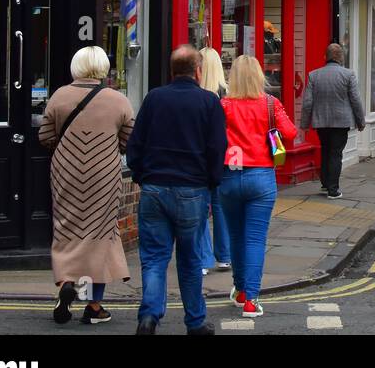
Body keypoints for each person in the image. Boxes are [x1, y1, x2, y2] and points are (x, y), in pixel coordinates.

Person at [126, 44, 227, 335]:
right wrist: (211, 182)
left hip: (154, 189)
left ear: (172, 71)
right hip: (192, 190)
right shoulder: (208, 102)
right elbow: (216, 148)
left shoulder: (154, 99)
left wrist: (142, 175)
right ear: (198, 71)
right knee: (190, 259)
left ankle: (149, 317)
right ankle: (195, 322)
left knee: (155, 258)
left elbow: (136, 144)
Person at [39, 46, 134, 326]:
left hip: (66, 172)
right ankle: (93, 305)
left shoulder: (59, 96)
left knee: (66, 228)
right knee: (101, 235)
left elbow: (45, 136)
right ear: (103, 68)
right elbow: (130, 140)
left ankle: (67, 283)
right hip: (104, 176)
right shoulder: (118, 100)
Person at [219, 55, 295, 318]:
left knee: (235, 236)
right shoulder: (271, 104)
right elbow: (292, 133)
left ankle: (240, 290)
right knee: (254, 239)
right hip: (261, 176)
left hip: (229, 175)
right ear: (259, 76)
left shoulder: (223, 105)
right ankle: (251, 299)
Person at [301, 43, 366, 198]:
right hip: (341, 122)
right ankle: (333, 189)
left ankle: (325, 183)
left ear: (326, 57)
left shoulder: (313, 75)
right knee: (336, 153)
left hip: (321, 122)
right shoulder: (348, 74)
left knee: (325, 150)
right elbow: (355, 100)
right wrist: (360, 121)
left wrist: (305, 123)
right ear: (340, 57)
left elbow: (307, 102)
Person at [195, 47, 231, 274]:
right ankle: (225, 257)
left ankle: (203, 260)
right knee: (220, 207)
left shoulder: (196, 95)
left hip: (199, 160)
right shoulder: (227, 94)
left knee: (199, 209)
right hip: (224, 159)